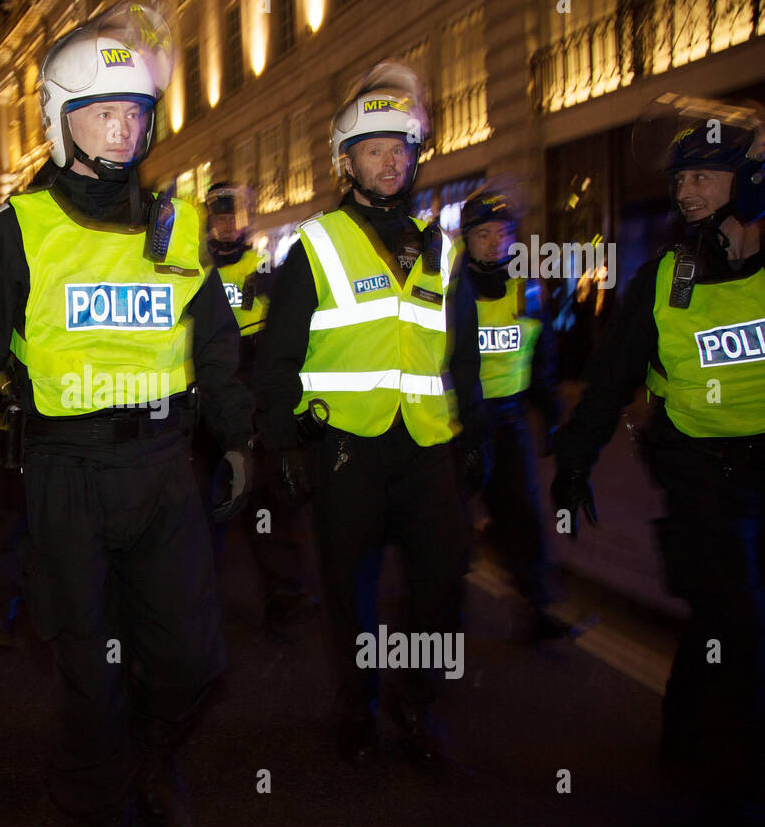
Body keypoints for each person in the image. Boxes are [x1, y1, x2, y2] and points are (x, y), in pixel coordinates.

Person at [0, 1, 254, 827]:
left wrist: (240, 437)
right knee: (89, 671)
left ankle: (154, 751)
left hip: (167, 469)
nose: (121, 131)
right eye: (102, 113)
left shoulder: (179, 230)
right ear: (62, 122)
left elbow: (215, 347)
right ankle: (96, 800)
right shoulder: (17, 231)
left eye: (134, 114)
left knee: (188, 663)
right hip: (65, 476)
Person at [256, 62, 487, 766]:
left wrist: (474, 434)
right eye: (376, 149)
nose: (393, 161)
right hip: (345, 450)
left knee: (439, 586)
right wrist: (283, 448)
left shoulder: (442, 253)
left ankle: (418, 704)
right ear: (346, 161)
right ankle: (357, 704)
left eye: (403, 149)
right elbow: (277, 360)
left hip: (424, 450)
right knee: (350, 589)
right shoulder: (316, 246)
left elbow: (464, 355)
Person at [553, 95, 765, 817]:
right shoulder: (661, 280)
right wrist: (572, 465)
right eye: (680, 178)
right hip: (700, 476)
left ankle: (682, 736)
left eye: (705, 173)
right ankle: (734, 786)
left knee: (721, 623)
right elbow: (609, 382)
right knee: (741, 624)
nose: (686, 190)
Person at [201, 180, 316, 628]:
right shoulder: (196, 266)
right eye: (220, 219)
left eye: (233, 218)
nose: (227, 227)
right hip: (210, 388)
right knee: (206, 498)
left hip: (253, 388)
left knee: (267, 498)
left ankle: (284, 594)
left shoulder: (264, 266)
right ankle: (196, 600)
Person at [457, 182, 567, 640]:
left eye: (502, 233)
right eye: (483, 233)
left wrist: (552, 414)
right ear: (467, 238)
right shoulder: (449, 294)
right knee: (445, 531)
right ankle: (433, 619)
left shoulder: (527, 291)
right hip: (456, 426)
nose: (493, 242)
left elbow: (542, 358)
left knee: (522, 516)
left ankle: (537, 604)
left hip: (509, 421)